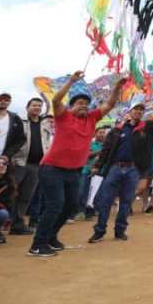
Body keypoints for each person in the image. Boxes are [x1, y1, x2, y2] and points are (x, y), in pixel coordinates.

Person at [30, 72, 125, 257]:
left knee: (70, 206)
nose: (83, 105)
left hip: (73, 171)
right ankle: (38, 244)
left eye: (86, 104)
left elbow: (110, 104)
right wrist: (72, 81)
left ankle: (51, 237)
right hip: (52, 168)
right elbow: (56, 100)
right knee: (55, 205)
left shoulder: (91, 119)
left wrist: (117, 88)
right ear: (70, 106)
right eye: (79, 103)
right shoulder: (63, 116)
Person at [88, 100, 153, 245]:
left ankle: (120, 231)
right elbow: (106, 149)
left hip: (133, 169)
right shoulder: (117, 129)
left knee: (126, 202)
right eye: (135, 109)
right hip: (115, 168)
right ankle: (99, 231)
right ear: (130, 111)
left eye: (141, 110)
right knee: (106, 200)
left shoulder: (148, 127)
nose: (138, 112)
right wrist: (98, 165)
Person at [9, 97, 51, 235]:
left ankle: (17, 225)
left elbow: (47, 143)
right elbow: (11, 140)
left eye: (39, 106)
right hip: (18, 163)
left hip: (36, 166)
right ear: (27, 107)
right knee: (10, 194)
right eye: (34, 105)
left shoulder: (45, 124)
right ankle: (1, 224)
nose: (37, 108)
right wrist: (10, 158)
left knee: (26, 197)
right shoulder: (19, 122)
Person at [80, 126, 107, 219]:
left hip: (101, 172)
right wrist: (101, 151)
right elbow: (87, 155)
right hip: (87, 170)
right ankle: (81, 210)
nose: (102, 134)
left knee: (96, 193)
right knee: (83, 192)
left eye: (103, 133)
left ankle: (91, 211)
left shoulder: (107, 145)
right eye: (100, 132)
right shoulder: (90, 143)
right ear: (95, 134)